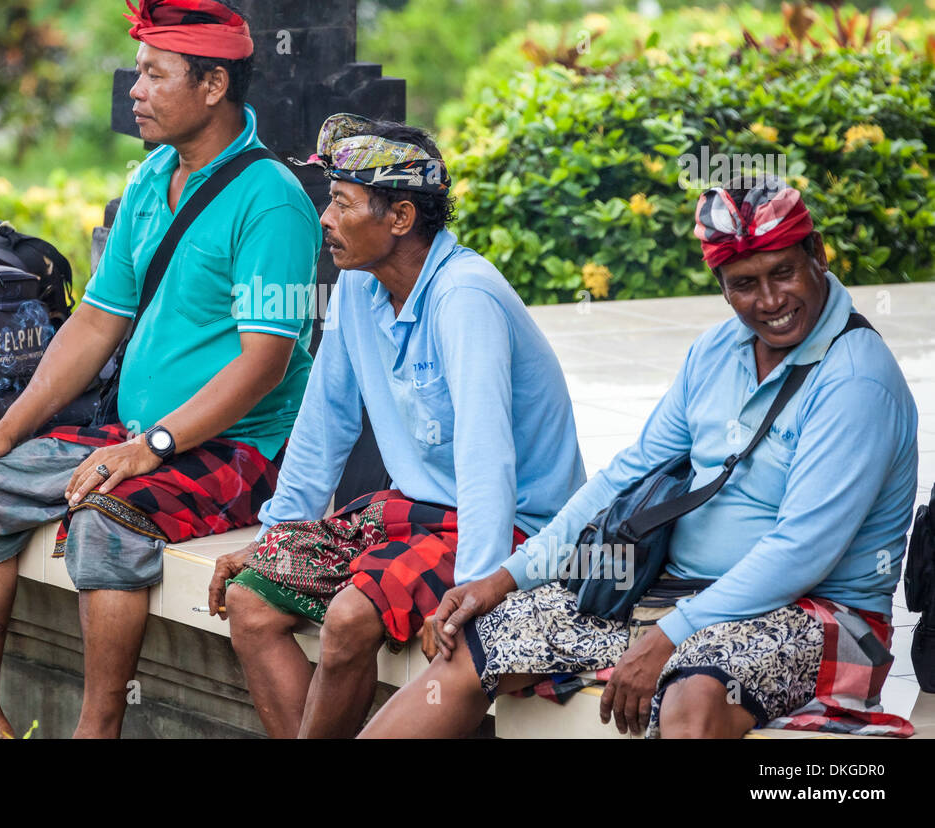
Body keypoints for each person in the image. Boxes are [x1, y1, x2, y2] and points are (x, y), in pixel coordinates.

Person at [362, 177, 920, 739]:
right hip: (676, 589)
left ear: (817, 256)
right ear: (721, 287)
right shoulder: (716, 351)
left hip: (818, 612)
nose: (771, 301)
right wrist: (504, 577)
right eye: (745, 284)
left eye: (783, 273)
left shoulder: (856, 380)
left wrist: (673, 635)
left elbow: (800, 552)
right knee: (475, 646)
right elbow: (624, 476)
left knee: (693, 693)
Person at [0, 0, 322, 739]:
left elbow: (265, 363)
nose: (133, 90)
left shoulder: (271, 202)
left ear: (213, 86)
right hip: (138, 436)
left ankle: (98, 728)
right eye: (135, 71)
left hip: (239, 449)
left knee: (108, 517)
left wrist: (154, 446)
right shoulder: (148, 180)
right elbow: (95, 320)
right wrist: (4, 432)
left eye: (153, 74)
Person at [207, 113, 586, 738]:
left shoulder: (465, 297)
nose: (325, 218)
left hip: (511, 524)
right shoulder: (360, 285)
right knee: (250, 599)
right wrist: (275, 533)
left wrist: (476, 590)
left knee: (352, 616)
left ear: (401, 218)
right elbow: (324, 418)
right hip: (417, 510)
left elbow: (487, 457)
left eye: (342, 202)